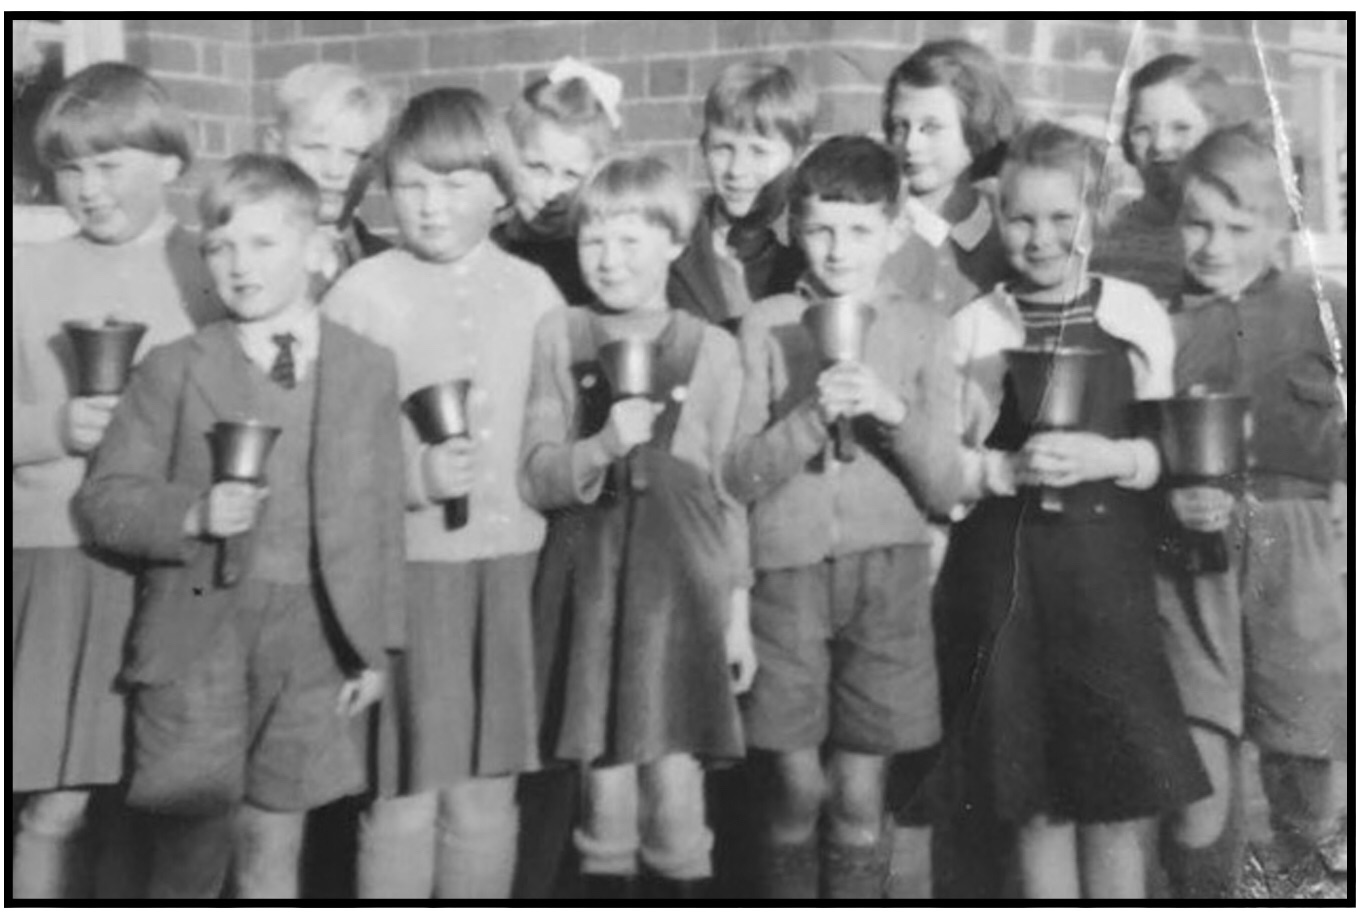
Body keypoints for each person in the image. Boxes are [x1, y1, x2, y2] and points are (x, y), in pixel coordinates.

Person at [75, 153, 403, 900]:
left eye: (262, 244)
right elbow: (105, 500)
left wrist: (374, 647)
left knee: (274, 846)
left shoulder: (367, 367)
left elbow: (382, 514)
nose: (238, 266)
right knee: (189, 855)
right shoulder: (173, 367)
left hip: (316, 638)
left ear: (314, 249)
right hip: (200, 637)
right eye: (219, 248)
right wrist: (189, 513)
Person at [942, 122, 1210, 899]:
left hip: (1107, 584)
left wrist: (1114, 458)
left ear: (1094, 216)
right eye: (1023, 219)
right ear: (1000, 218)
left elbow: (1174, 455)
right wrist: (999, 466)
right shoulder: (974, 328)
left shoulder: (1133, 314)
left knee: (1118, 802)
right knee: (1034, 802)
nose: (1043, 237)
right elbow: (945, 467)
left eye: (1064, 219)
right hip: (1009, 585)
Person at [325, 87, 565, 900]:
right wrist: (411, 478)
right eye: (413, 185)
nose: (430, 207)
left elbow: (555, 433)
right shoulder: (362, 293)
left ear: (501, 189)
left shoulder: (535, 292)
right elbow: (329, 449)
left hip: (510, 577)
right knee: (403, 793)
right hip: (409, 577)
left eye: (455, 185)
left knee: (487, 790)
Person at [725, 135, 962, 900]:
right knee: (795, 789)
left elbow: (947, 483)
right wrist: (805, 419)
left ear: (894, 233)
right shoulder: (765, 324)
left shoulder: (925, 328)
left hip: (888, 580)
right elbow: (737, 473)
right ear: (795, 227)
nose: (838, 250)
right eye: (821, 228)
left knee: (861, 797)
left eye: (860, 231)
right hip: (784, 579)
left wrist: (890, 410)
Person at [10, 61, 223, 900]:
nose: (87, 189)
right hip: (61, 558)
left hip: (172, 566)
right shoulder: (20, 277)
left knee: (165, 800)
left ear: (170, 163)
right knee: (57, 801)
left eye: (108, 166)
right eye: (69, 168)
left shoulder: (208, 269)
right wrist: (51, 429)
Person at [520, 155, 754, 901]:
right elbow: (537, 473)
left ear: (675, 244)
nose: (608, 259)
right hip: (591, 600)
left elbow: (728, 492)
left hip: (680, 602)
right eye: (593, 240)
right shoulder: (561, 333)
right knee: (605, 792)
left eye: (629, 240)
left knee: (676, 787)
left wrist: (737, 620)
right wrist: (602, 446)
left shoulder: (712, 347)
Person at [1156, 123, 1348, 898]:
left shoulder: (1323, 305)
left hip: (1301, 545)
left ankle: (1314, 877)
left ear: (1282, 227)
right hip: (1195, 549)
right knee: (1204, 738)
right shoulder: (1164, 326)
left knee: (1303, 735)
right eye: (1198, 223)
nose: (1215, 245)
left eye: (1239, 227)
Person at [668, 61, 814, 334]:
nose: (736, 170)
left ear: (798, 153)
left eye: (758, 152)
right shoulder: (676, 236)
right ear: (703, 146)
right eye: (723, 148)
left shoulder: (812, 247)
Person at [880, 38, 1018, 316]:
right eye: (900, 126)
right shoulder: (877, 229)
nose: (910, 146)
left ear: (976, 129)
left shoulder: (1009, 232)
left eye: (931, 128)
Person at [1091, 54, 1238, 301]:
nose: (1160, 145)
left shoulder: (1239, 236)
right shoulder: (1107, 242)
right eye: (1142, 130)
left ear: (1217, 136)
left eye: (1180, 128)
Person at [496, 57, 622, 306]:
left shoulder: (602, 264)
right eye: (538, 169)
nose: (552, 192)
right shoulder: (487, 250)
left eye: (571, 175)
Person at [265, 62, 393, 279]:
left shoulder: (391, 267)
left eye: (352, 153)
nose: (334, 171)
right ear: (274, 147)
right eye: (316, 148)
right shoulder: (235, 260)